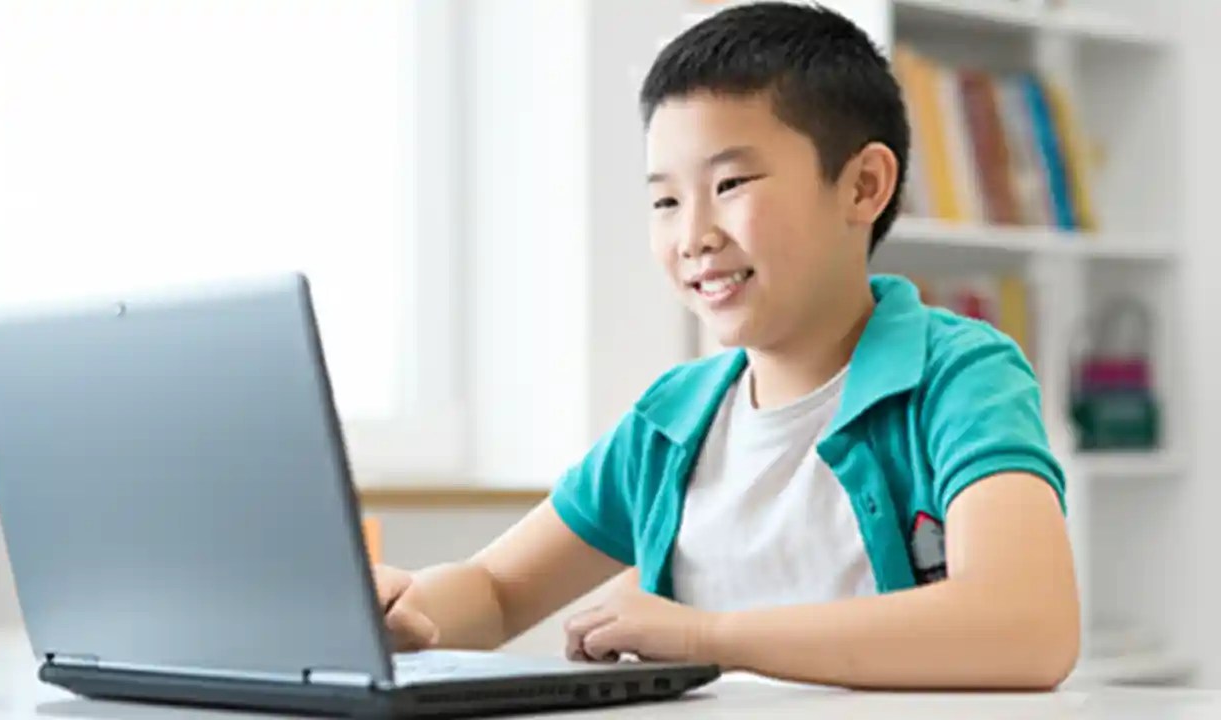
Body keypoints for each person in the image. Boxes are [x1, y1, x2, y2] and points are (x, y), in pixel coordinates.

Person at [373, 1, 1079, 690]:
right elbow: (497, 590)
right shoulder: (669, 422)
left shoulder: (956, 377)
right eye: (666, 201)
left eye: (731, 183)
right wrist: (404, 614)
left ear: (863, 186)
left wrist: (711, 639)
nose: (694, 236)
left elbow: (1025, 625)